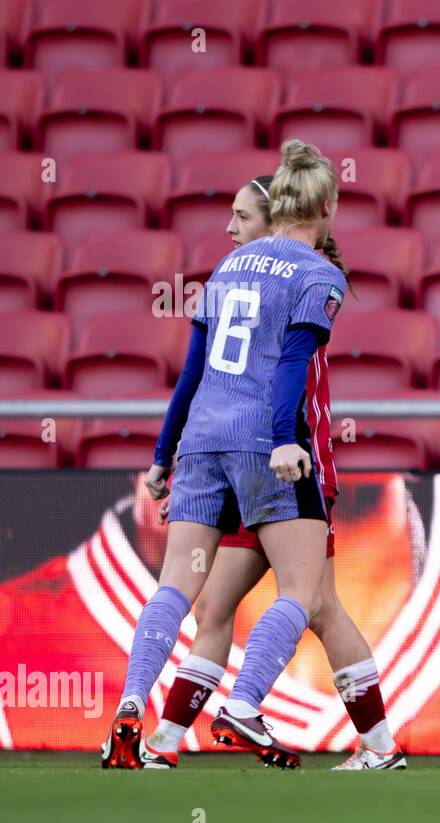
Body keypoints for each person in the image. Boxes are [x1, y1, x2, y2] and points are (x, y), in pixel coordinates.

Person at [140, 175, 404, 772]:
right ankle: (167, 740)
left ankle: (233, 716)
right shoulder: (272, 278)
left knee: (313, 602)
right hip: (246, 463)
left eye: (242, 217)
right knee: (239, 608)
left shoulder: (285, 279)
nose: (232, 230)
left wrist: (187, 460)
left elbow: (270, 380)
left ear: (276, 220)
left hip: (288, 460)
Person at [101, 139, 348, 770]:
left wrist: (162, 455)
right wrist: (286, 438)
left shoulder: (226, 269)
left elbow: (189, 374)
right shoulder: (319, 274)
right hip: (262, 445)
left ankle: (130, 708)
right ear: (324, 203)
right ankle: (243, 705)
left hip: (200, 444)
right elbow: (294, 362)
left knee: (176, 588)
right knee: (301, 591)